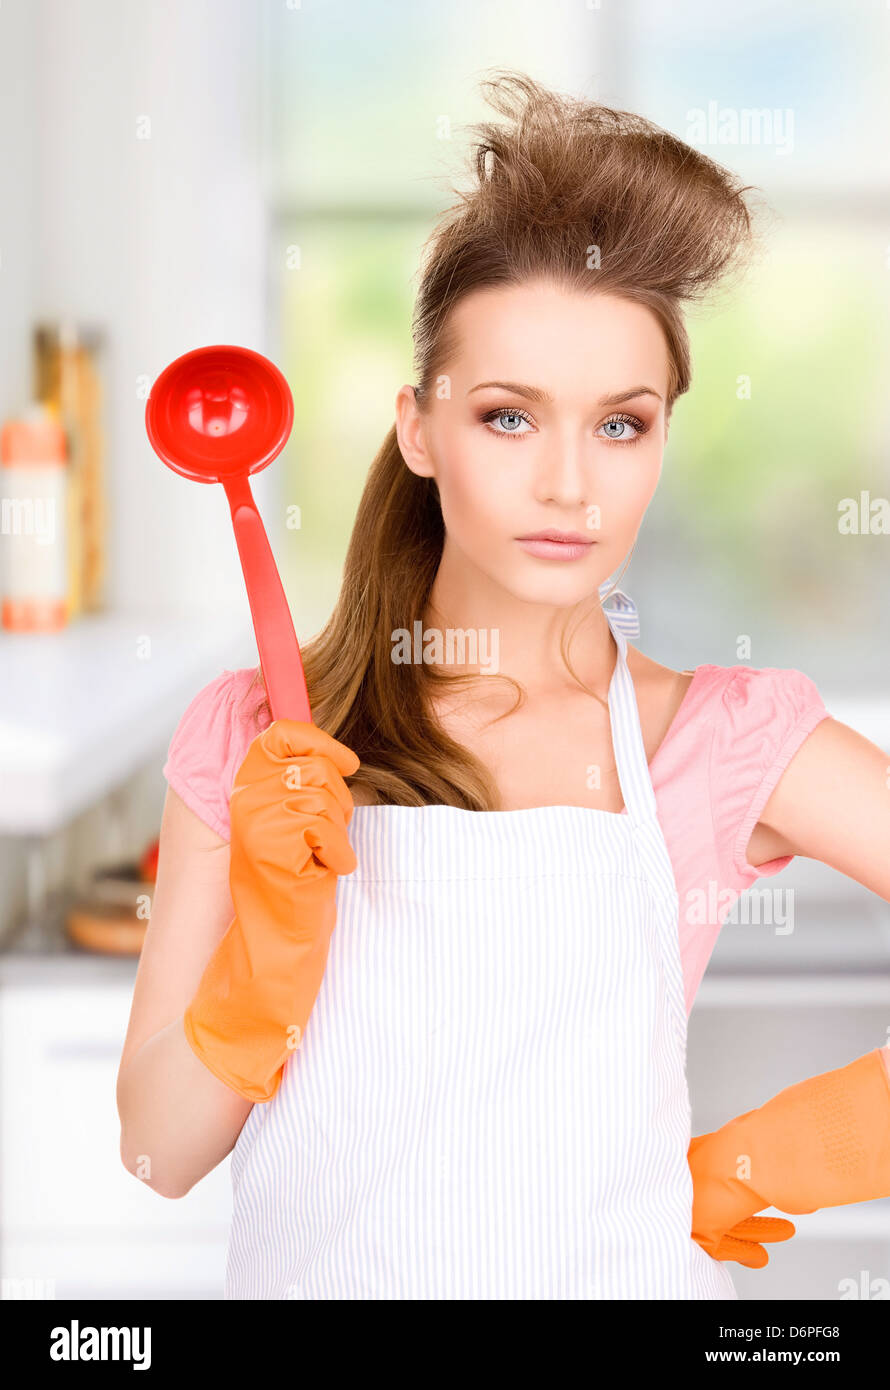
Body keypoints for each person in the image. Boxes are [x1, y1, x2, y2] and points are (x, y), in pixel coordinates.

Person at [117, 70, 890, 1300]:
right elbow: (156, 1152)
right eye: (507, 418)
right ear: (418, 429)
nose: (570, 487)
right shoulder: (262, 737)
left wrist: (786, 1152)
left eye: (620, 424)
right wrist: (259, 969)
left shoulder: (722, 742)